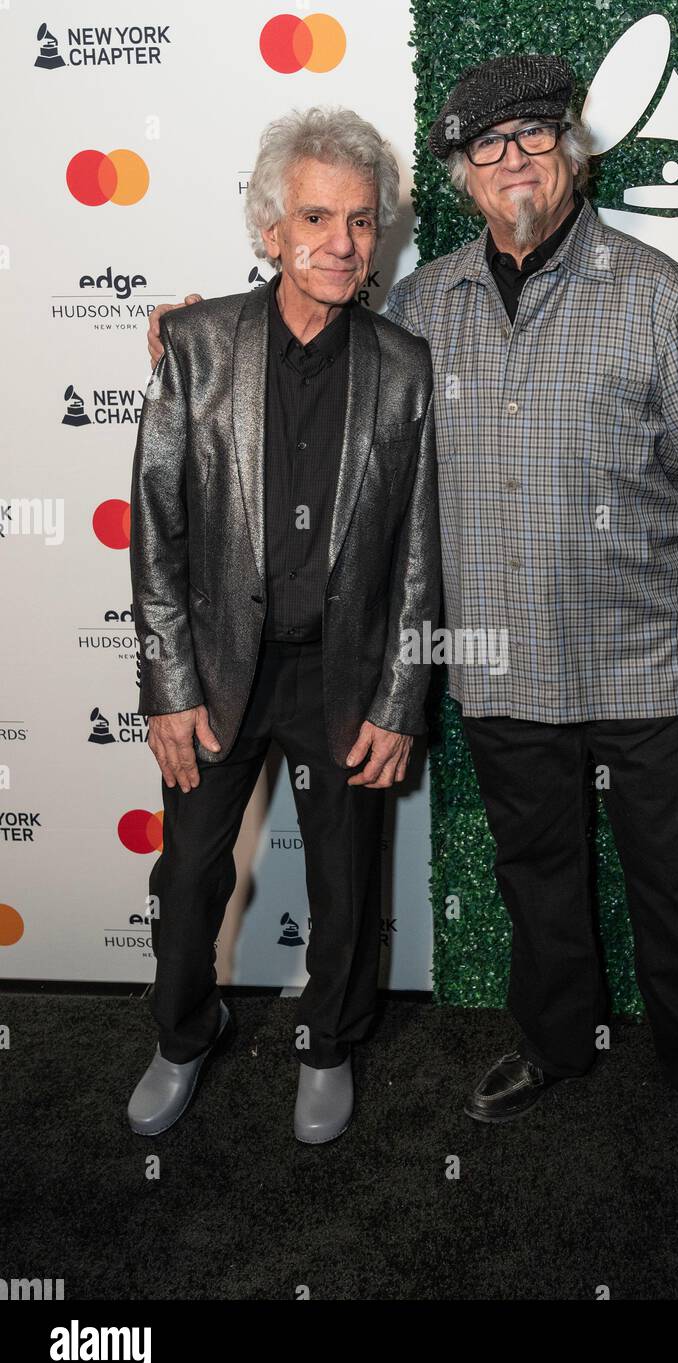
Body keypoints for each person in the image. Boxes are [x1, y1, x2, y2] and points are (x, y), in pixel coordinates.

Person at [146, 58, 678, 1206]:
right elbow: (302, 352)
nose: (516, 162)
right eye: (488, 150)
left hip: (643, 660)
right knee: (537, 880)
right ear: (462, 178)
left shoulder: (659, 295)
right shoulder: (419, 306)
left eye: (536, 138)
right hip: (492, 668)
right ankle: (554, 1042)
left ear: (571, 155)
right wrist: (194, 324)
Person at [128, 107, 439, 1145]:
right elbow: (157, 529)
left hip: (343, 674)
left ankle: (328, 1041)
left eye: (359, 220)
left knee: (346, 884)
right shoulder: (197, 347)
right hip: (219, 670)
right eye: (316, 216)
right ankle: (182, 1033)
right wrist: (167, 685)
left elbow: (418, 552)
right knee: (186, 879)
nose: (342, 242)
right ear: (270, 230)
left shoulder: (404, 366)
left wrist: (401, 697)